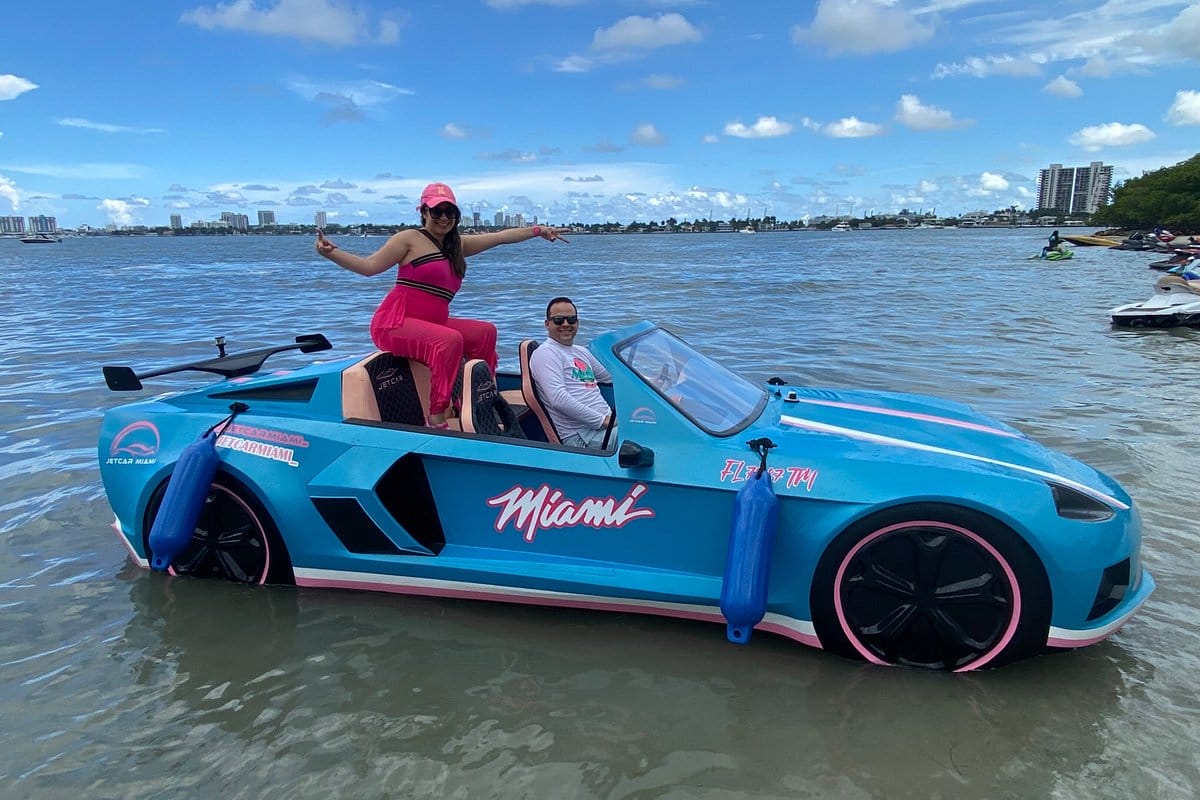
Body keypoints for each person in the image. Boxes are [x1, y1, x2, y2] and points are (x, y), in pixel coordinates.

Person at [316, 182, 567, 427]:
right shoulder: (408, 239)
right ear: (423, 212)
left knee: (485, 332)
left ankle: (477, 398)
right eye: (437, 211)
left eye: (450, 212)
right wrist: (331, 253)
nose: (444, 218)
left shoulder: (456, 244)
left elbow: (500, 237)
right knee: (449, 340)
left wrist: (538, 231)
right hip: (393, 324)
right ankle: (436, 415)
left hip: (432, 322)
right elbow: (369, 267)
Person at [528, 297, 615, 448]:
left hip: (606, 427)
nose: (566, 324)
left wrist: (651, 381)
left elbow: (612, 377)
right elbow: (558, 399)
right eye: (559, 320)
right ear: (547, 324)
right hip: (582, 437)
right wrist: (604, 421)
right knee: (651, 439)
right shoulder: (546, 353)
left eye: (571, 319)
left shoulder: (580, 351)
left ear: (578, 323)